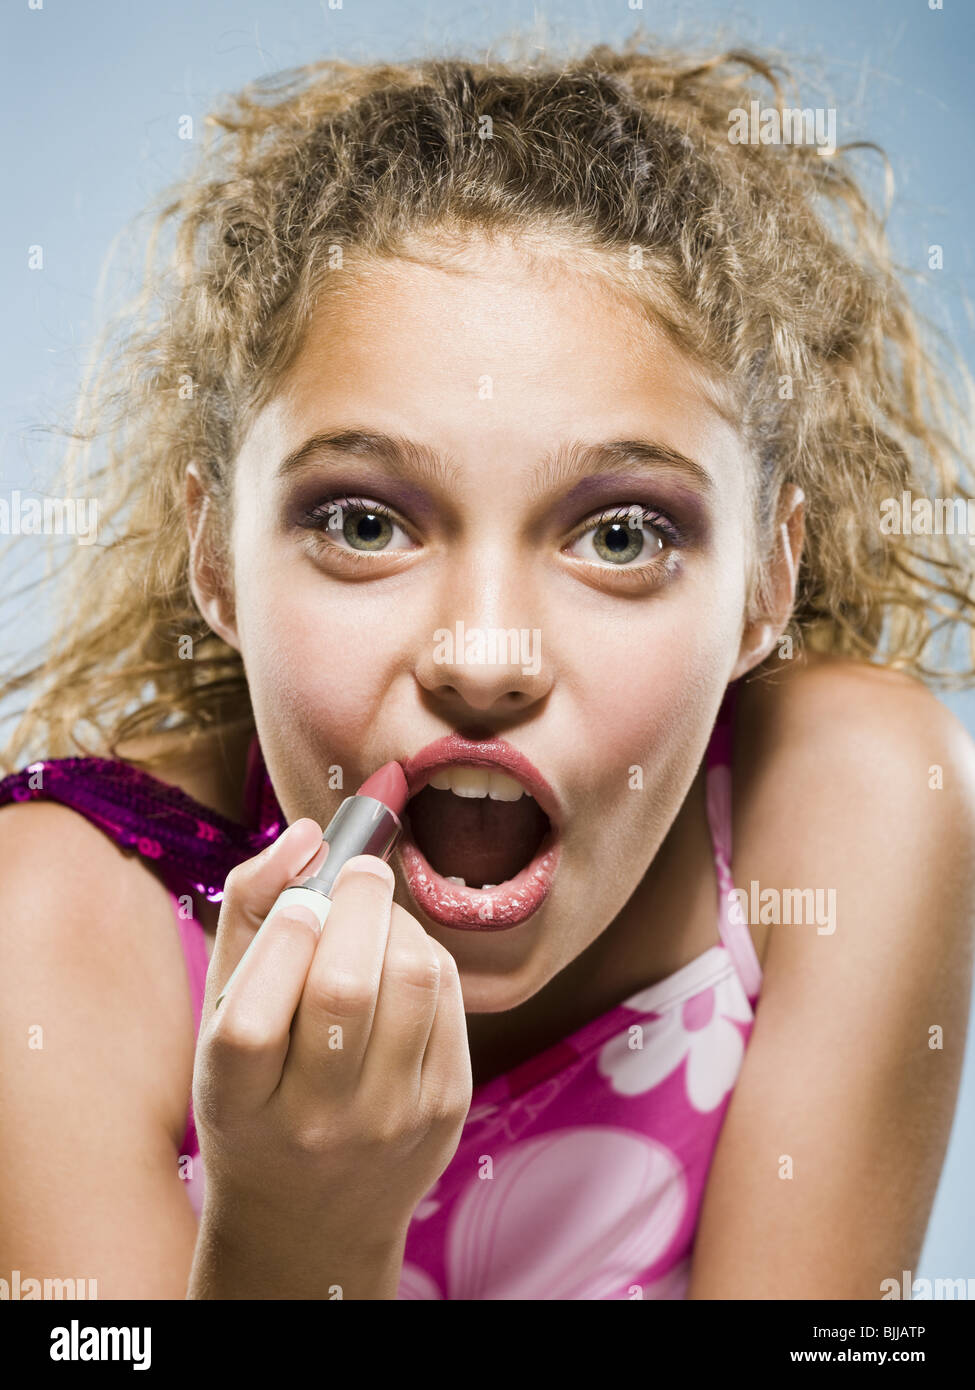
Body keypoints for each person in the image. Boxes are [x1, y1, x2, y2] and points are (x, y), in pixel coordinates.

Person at [2, 39, 974, 1300]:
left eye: (621, 535)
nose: (485, 658)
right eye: (364, 522)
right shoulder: (48, 934)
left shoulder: (857, 809)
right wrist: (293, 1242)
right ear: (217, 562)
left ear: (765, 588)